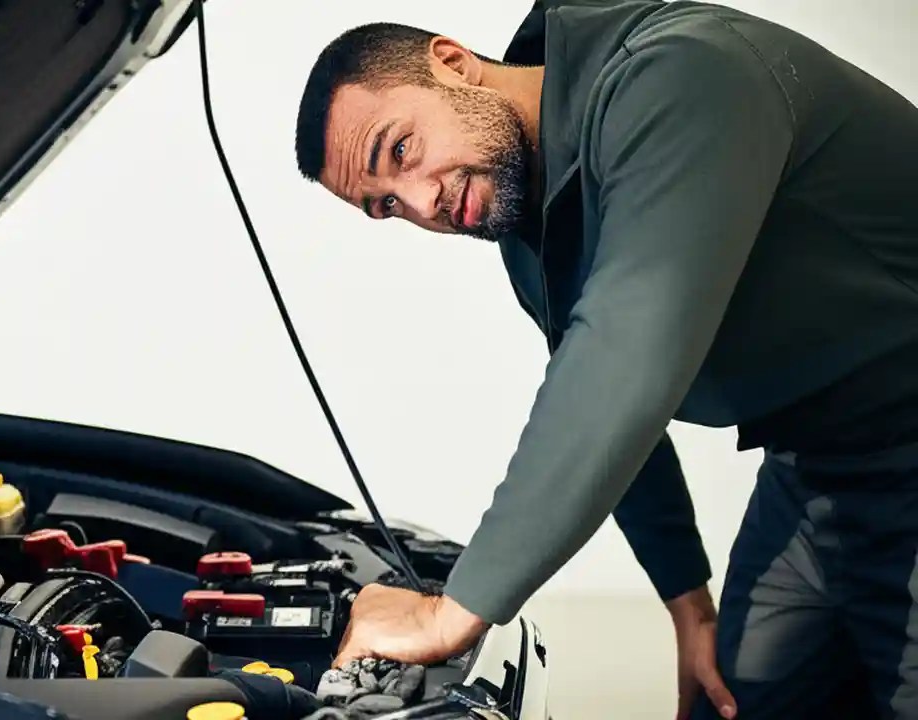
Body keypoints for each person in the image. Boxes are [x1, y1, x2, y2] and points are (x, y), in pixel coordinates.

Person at [291, 1, 918, 718]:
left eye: (399, 151)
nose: (421, 201)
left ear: (452, 62)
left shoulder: (680, 76)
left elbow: (626, 355)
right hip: (816, 477)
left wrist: (454, 609)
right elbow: (609, 407)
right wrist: (689, 604)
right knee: (739, 702)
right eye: (387, 208)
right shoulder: (528, 212)